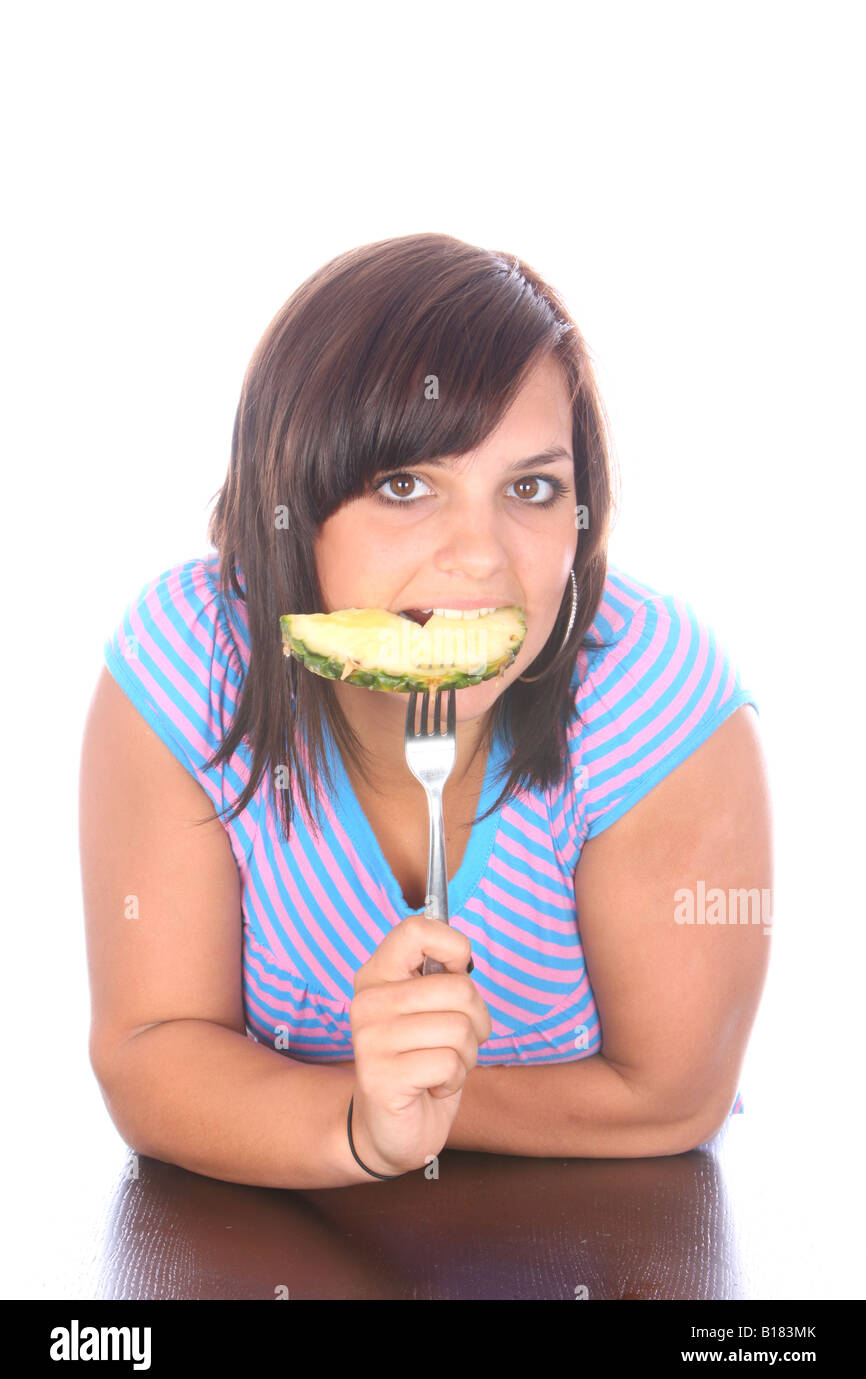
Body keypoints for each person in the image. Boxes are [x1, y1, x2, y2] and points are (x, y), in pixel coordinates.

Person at [80, 232, 772, 1189]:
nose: (483, 556)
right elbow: (151, 1051)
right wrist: (363, 1130)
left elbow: (670, 1097)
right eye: (406, 485)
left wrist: (392, 1109)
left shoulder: (650, 689)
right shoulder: (191, 661)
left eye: (532, 489)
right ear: (289, 499)